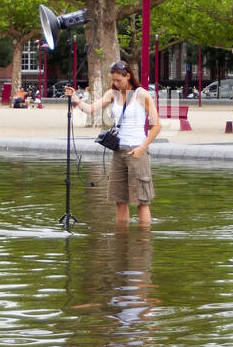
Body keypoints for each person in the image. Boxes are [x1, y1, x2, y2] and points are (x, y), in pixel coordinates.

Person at [65, 61, 161, 226]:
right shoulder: (112, 94)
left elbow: (157, 125)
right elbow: (90, 109)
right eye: (114, 80)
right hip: (118, 151)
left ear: (128, 76)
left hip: (137, 150)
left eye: (119, 80)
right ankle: (121, 239)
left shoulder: (142, 94)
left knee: (141, 201)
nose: (116, 84)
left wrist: (142, 148)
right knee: (119, 199)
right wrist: (75, 98)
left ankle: (144, 241)